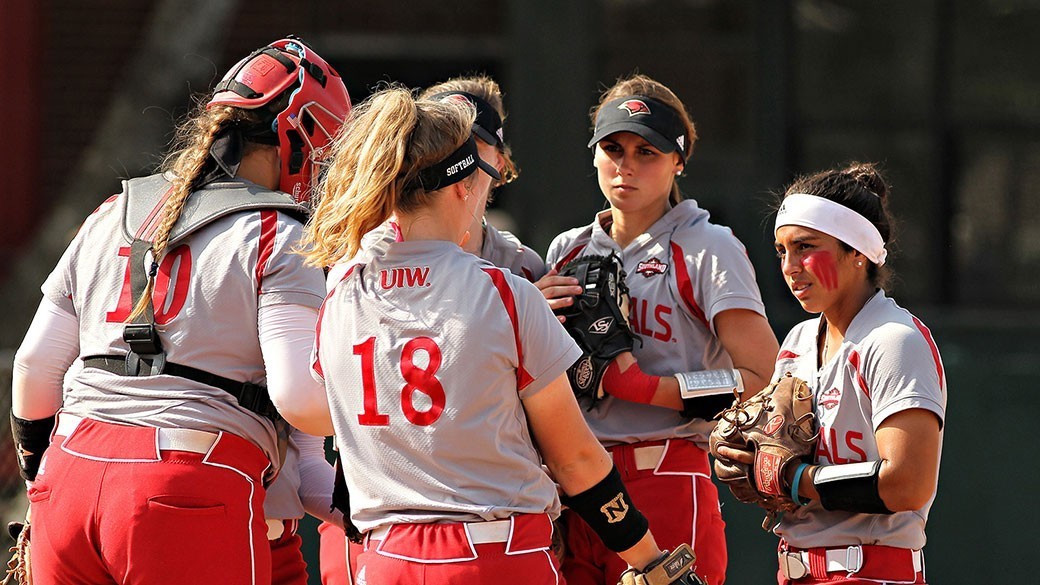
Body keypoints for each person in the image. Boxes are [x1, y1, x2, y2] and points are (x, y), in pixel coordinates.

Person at [295, 87, 683, 585]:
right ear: (462, 185)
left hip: (382, 560)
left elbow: (321, 414)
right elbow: (577, 460)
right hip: (494, 555)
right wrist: (651, 560)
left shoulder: (343, 290)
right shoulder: (506, 292)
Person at [8, 36, 347, 584]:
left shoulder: (109, 213)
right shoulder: (278, 236)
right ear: (298, 138)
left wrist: (39, 478)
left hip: (67, 478)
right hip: (186, 484)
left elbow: (33, 368)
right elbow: (299, 400)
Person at [541, 74, 779, 585]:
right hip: (575, 482)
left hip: (665, 473)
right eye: (613, 148)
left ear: (678, 160)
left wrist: (645, 388)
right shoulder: (567, 251)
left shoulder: (708, 247)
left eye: (646, 151)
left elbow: (763, 377)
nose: (626, 165)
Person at [317, 74, 547, 585]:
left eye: (477, 142)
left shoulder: (520, 268)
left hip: (486, 517)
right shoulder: (353, 261)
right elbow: (318, 401)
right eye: (445, 135)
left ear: (500, 159)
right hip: (375, 515)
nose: (464, 156)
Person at [718, 163, 945, 584]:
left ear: (857, 250)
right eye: (782, 250)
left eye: (805, 247)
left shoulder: (894, 340)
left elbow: (907, 483)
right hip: (796, 568)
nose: (790, 265)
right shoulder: (799, 341)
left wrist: (794, 478)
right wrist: (755, 460)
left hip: (872, 571)